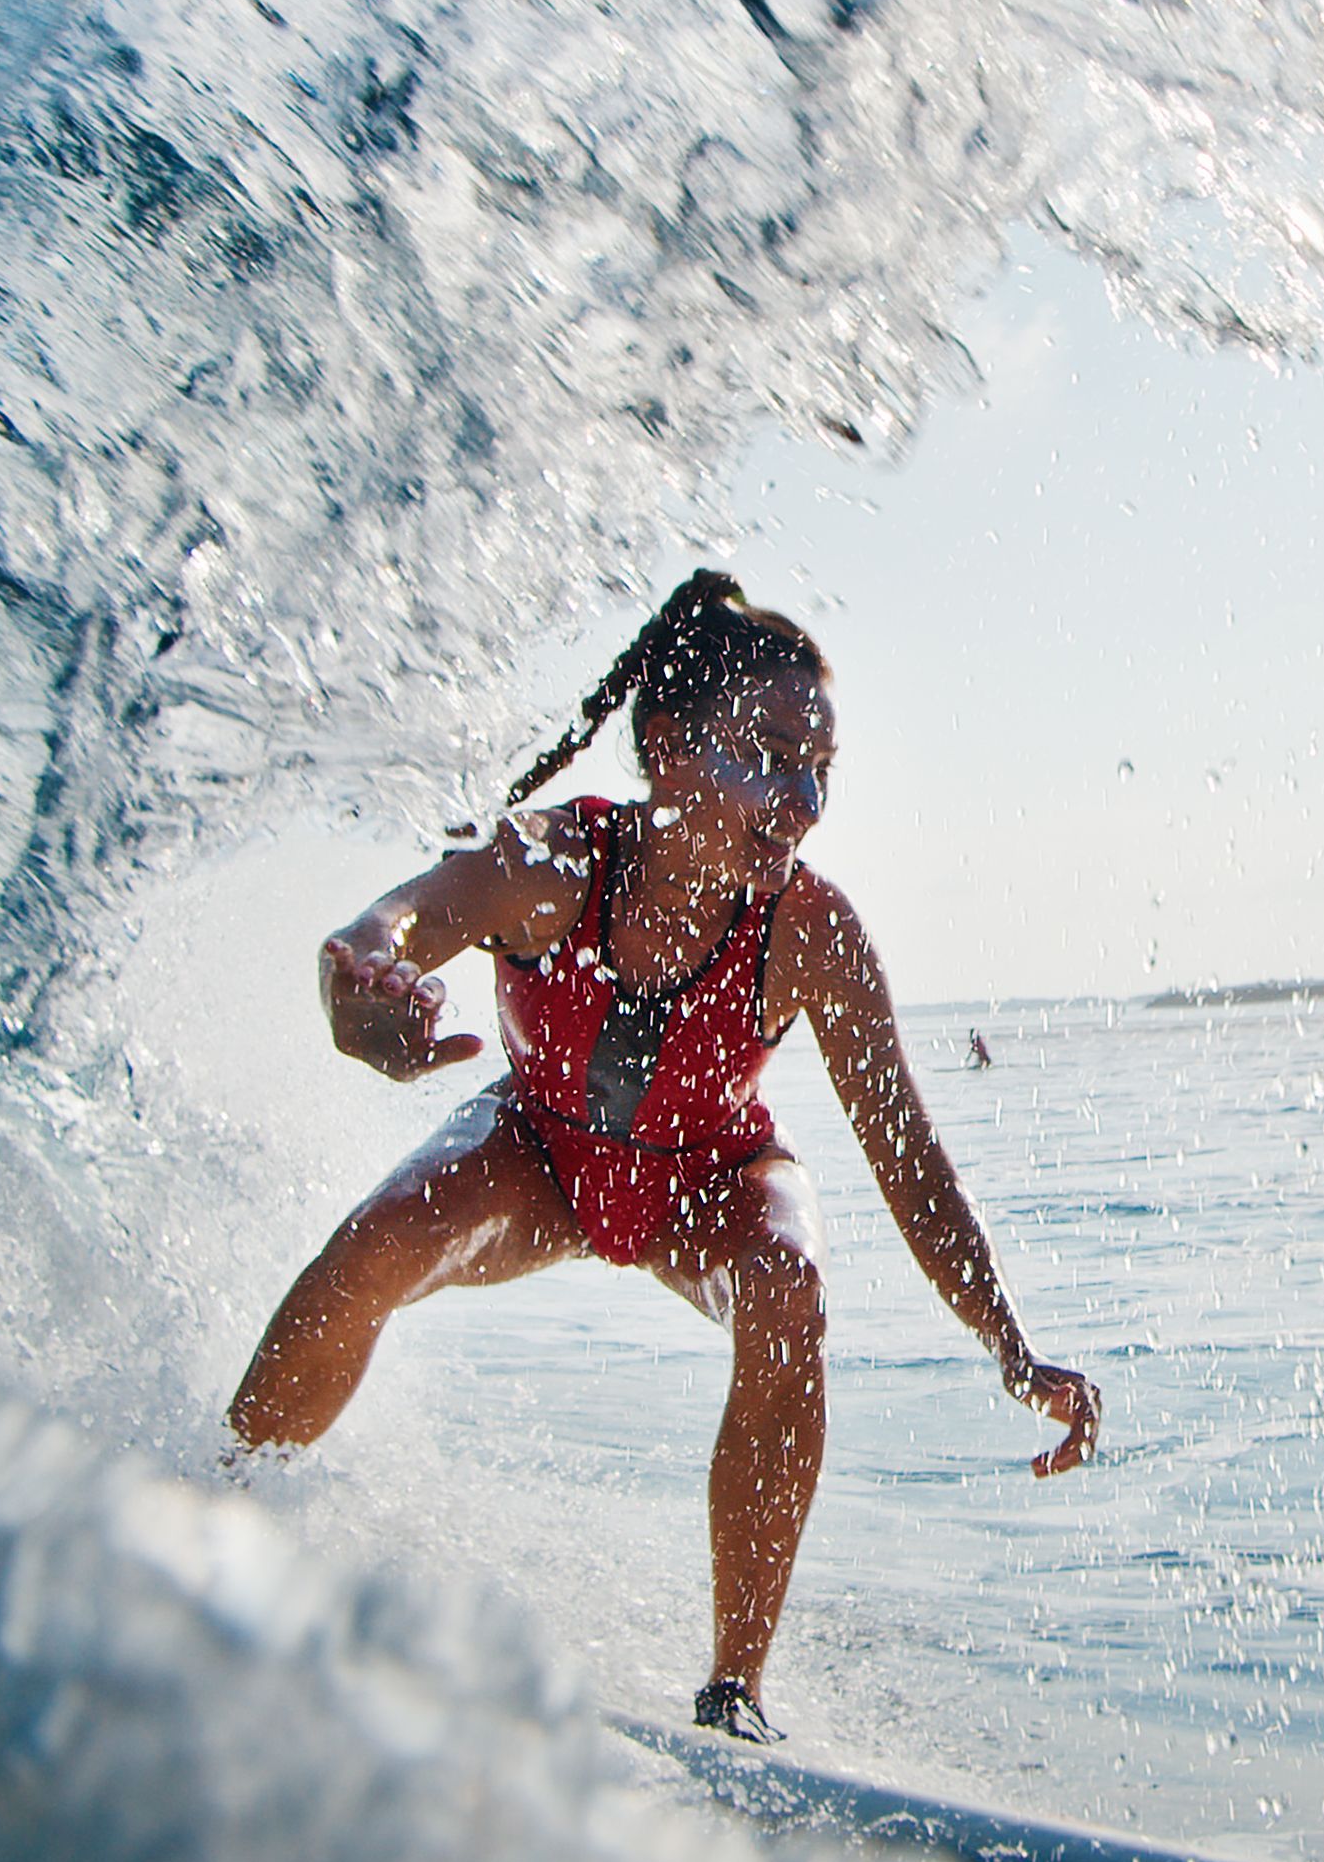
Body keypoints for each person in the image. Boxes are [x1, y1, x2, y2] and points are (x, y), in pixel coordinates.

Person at [224, 570, 1103, 1743]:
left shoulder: (809, 932)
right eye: (772, 756)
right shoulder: (549, 866)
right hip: (538, 1153)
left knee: (787, 1282)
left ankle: (733, 1691)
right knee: (384, 1237)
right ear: (669, 749)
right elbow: (383, 929)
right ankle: (212, 1519)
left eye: (818, 773)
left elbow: (908, 1159)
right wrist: (361, 994)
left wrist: (1010, 1344)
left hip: (709, 1180)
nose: (798, 800)